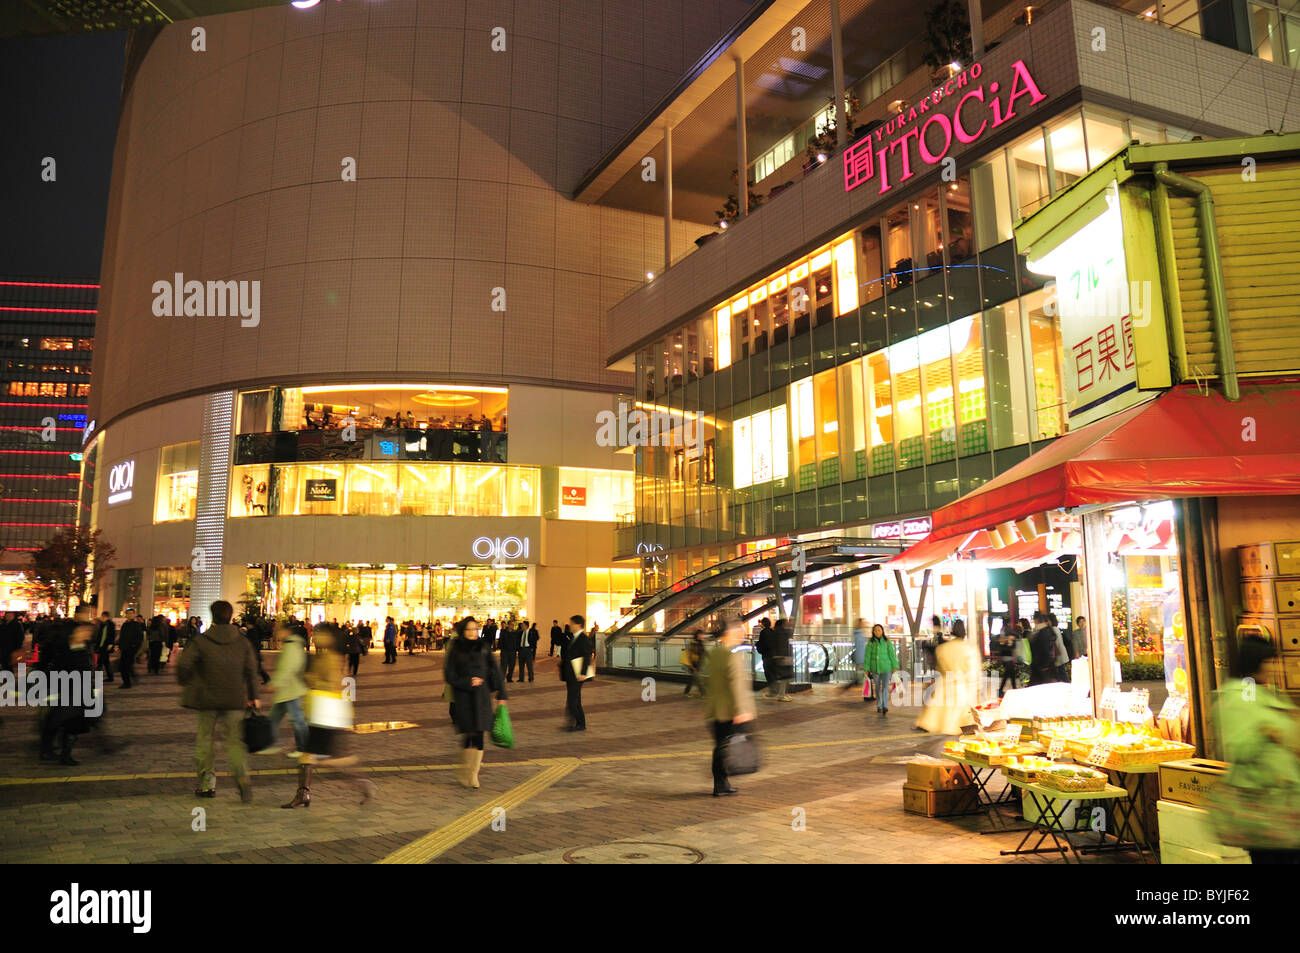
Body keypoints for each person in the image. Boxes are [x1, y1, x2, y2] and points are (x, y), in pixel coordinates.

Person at [1208, 635, 1300, 863]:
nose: (1276, 666)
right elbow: (1238, 748)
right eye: (1270, 661)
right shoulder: (1240, 695)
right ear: (1256, 662)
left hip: (1284, 810)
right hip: (1264, 810)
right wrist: (1268, 732)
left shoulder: (1261, 691)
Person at [283, 622, 377, 808]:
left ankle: (363, 785)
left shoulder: (331, 658)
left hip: (325, 713)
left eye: (320, 634)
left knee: (331, 760)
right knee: (309, 756)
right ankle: (304, 793)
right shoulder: (326, 656)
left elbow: (331, 684)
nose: (316, 637)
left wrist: (309, 679)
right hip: (322, 711)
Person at [176, 600, 260, 802]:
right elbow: (251, 670)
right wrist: (253, 696)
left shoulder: (201, 641)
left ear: (212, 616)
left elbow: (184, 665)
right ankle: (242, 779)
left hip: (207, 698)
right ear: (231, 617)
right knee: (234, 743)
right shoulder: (242, 642)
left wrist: (186, 680)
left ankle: (207, 785)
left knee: (205, 741)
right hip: (234, 699)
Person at [443, 616, 507, 788]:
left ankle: (473, 774)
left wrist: (502, 694)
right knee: (468, 734)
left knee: (478, 733)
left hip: (481, 697)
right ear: (463, 631)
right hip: (463, 698)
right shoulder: (456, 648)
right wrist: (467, 681)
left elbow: (495, 671)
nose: (473, 632)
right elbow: (449, 675)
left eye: (475, 629)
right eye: (469, 629)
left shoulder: (483, 646)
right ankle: (465, 768)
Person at [38, 605, 96, 765]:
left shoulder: (81, 647)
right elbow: (55, 661)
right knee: (61, 719)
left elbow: (86, 665)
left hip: (79, 686)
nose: (87, 634)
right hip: (67, 685)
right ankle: (51, 750)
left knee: (72, 720)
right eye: (84, 632)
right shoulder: (67, 647)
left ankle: (61, 752)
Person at [705, 621, 756, 797]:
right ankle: (722, 783)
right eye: (740, 631)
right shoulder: (732, 656)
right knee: (729, 747)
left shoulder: (716, 653)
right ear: (730, 633)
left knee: (720, 747)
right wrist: (741, 710)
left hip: (715, 709)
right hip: (730, 711)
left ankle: (720, 784)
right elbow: (736, 685)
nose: (743, 634)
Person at [916, 619, 979, 735]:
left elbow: (938, 668)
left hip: (944, 684)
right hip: (961, 685)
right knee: (959, 716)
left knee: (943, 715)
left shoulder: (943, 648)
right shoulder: (968, 649)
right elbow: (974, 670)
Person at [262, 619, 310, 758]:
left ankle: (304, 748)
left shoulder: (291, 646)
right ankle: (268, 745)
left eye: (279, 630)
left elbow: (288, 668)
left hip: (290, 690)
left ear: (287, 631)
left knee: (296, 719)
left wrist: (276, 683)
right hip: (287, 690)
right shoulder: (292, 644)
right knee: (274, 718)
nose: (276, 632)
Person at [560, 614, 594, 731]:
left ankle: (575, 723)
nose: (570, 625)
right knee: (575, 700)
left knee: (572, 700)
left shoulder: (583, 639)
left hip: (578, 674)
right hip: (572, 674)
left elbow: (586, 657)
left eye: (572, 623)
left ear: (578, 625)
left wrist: (583, 673)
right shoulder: (574, 637)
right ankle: (579, 723)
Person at [864, 624, 899, 715]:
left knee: (885, 687)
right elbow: (867, 657)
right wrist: (866, 668)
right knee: (878, 688)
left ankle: (885, 706)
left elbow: (892, 655)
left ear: (882, 631)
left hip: (886, 668)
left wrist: (895, 667)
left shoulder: (887, 642)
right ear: (873, 632)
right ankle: (879, 706)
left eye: (879, 630)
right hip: (875, 668)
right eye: (875, 630)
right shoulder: (870, 643)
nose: (877, 632)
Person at [766, 617, 794, 701]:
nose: (788, 623)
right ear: (782, 624)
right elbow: (782, 643)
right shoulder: (781, 632)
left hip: (782, 656)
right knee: (784, 677)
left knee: (784, 676)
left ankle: (781, 693)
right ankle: (781, 695)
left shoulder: (777, 631)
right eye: (786, 622)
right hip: (783, 656)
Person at [1028, 611, 1058, 686]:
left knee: (1040, 686)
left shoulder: (1042, 632)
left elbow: (1044, 649)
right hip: (1041, 665)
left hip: (1042, 665)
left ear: (1036, 620)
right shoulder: (1044, 630)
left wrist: (1045, 665)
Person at [117, 609, 144, 689]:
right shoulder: (125, 625)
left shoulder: (136, 625)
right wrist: (119, 646)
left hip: (131, 649)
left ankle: (127, 683)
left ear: (134, 615)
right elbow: (122, 636)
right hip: (124, 649)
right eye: (128, 613)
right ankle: (131, 678)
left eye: (131, 613)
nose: (130, 615)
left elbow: (139, 637)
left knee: (126, 666)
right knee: (124, 666)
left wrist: (134, 646)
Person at [843, 618, 868, 691]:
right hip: (861, 655)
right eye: (863, 623)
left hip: (859, 655)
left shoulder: (857, 633)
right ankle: (860, 684)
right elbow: (860, 646)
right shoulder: (859, 634)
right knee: (862, 671)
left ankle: (858, 683)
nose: (864, 625)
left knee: (860, 671)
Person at [94, 611, 116, 684]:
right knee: (106, 662)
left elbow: (112, 635)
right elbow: (100, 636)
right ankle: (110, 677)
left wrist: (110, 644)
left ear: (106, 617)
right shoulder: (102, 625)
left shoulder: (111, 624)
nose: (102, 618)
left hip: (106, 646)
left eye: (103, 617)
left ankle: (98, 678)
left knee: (100, 662)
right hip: (102, 645)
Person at [682, 629, 706, 696]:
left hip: (699, 664)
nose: (702, 636)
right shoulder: (694, 643)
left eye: (702, 634)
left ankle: (686, 692)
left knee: (692, 679)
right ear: (697, 635)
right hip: (694, 664)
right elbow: (691, 655)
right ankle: (703, 693)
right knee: (699, 680)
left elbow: (703, 652)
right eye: (701, 634)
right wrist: (692, 666)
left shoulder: (700, 642)